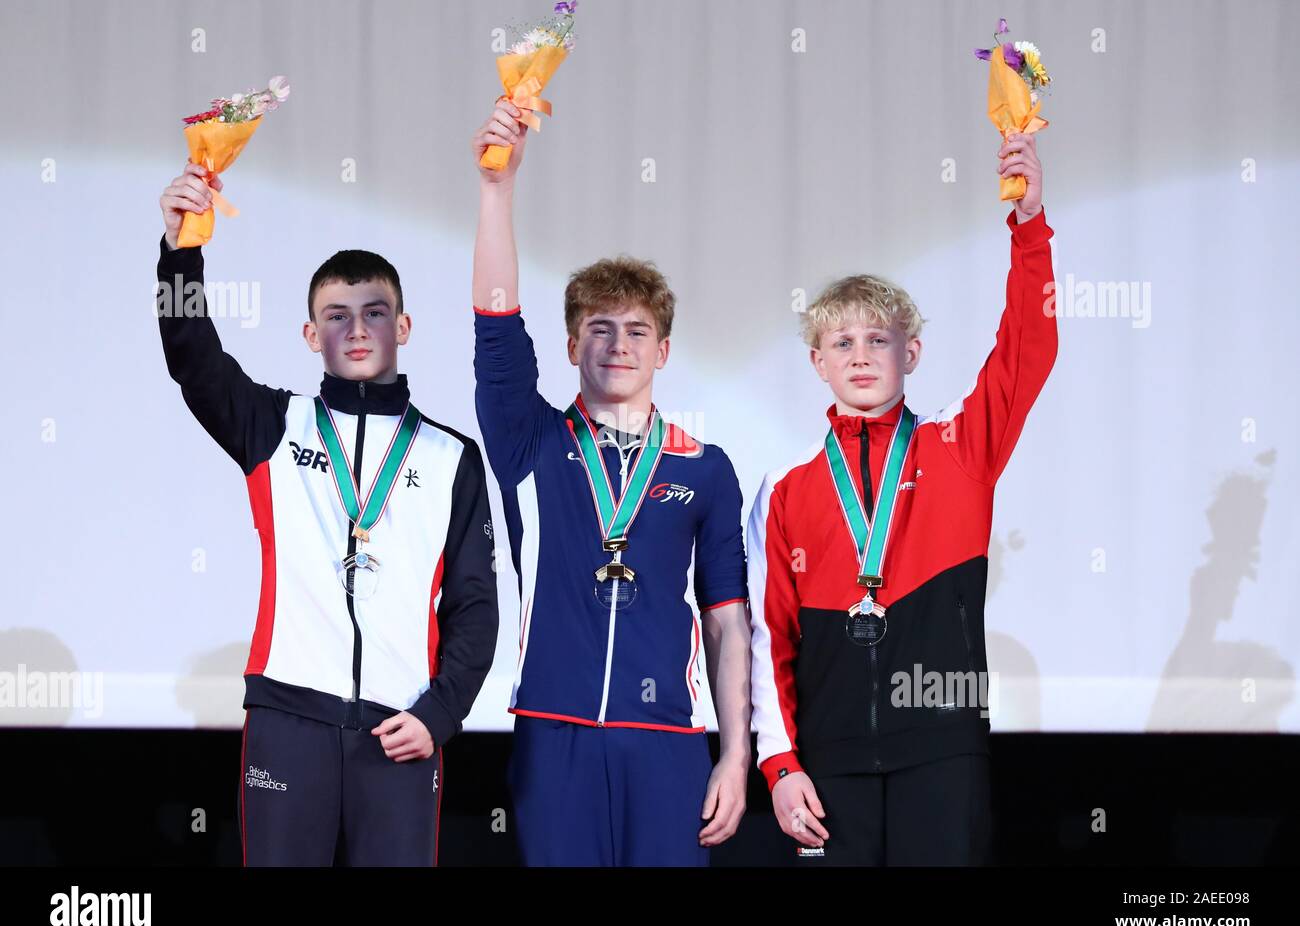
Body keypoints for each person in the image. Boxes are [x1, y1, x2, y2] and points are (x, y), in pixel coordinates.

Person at [156, 162, 498, 865]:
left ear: (402, 324)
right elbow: (193, 360)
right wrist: (180, 252)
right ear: (312, 335)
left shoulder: (450, 457)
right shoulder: (273, 426)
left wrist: (440, 714)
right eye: (336, 316)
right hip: (289, 720)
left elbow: (475, 606)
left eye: (374, 312)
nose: (357, 329)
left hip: (399, 729)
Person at [748, 132, 1056, 865]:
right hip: (829, 761)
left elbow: (1028, 348)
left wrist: (1030, 224)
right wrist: (780, 764)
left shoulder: (960, 447)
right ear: (816, 362)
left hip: (943, 749)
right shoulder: (786, 486)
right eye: (842, 342)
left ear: (909, 353)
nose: (860, 355)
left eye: (878, 340)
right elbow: (769, 640)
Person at [470, 100, 752, 865]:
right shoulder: (531, 442)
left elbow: (728, 625)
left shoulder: (705, 467)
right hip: (552, 732)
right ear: (571, 346)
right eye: (599, 328)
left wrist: (734, 753)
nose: (617, 344)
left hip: (666, 742)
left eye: (636, 331)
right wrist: (498, 190)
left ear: (663, 350)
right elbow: (495, 327)